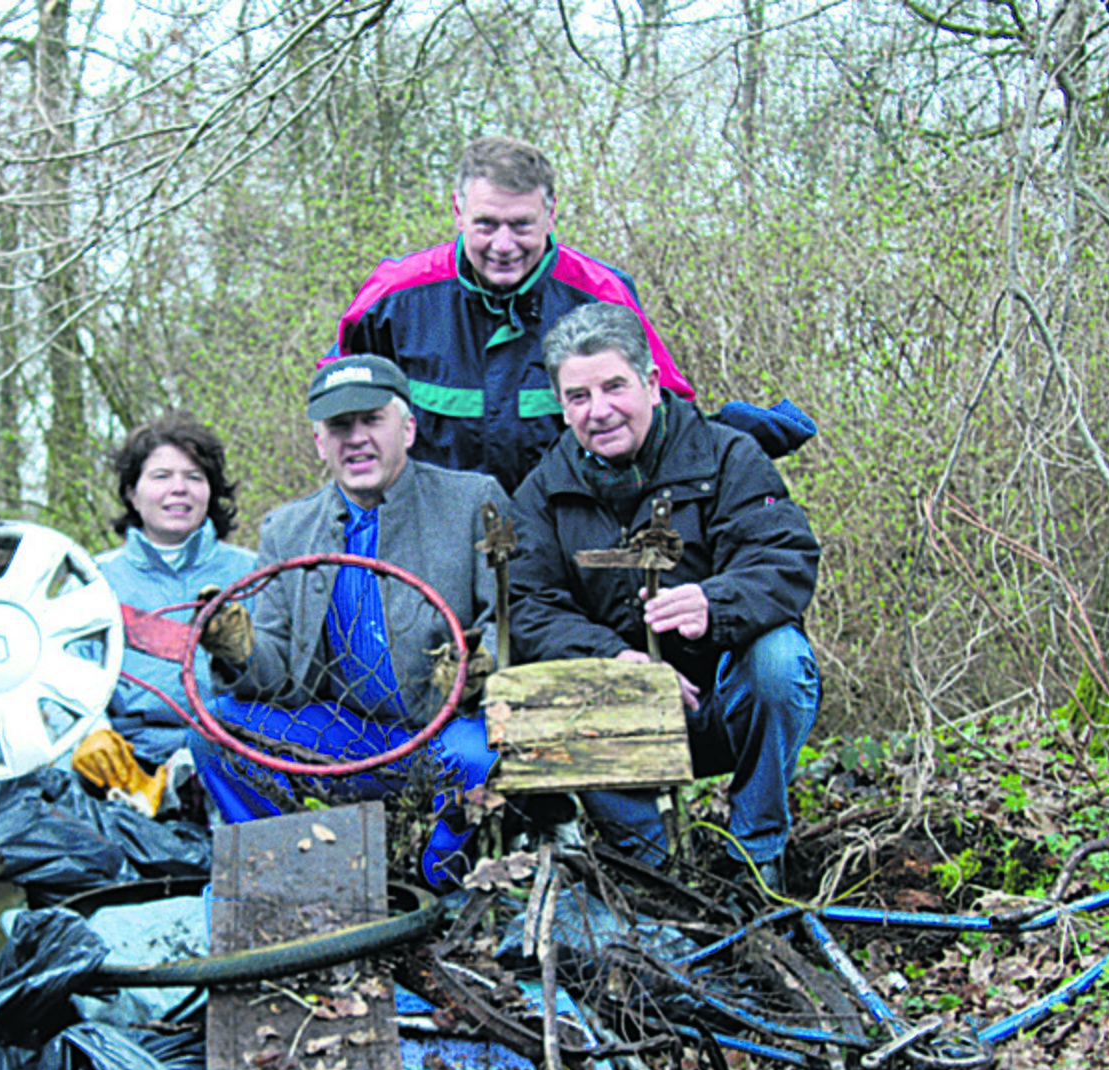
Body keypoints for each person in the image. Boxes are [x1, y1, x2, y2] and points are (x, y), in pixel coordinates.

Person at [506, 302, 821, 889]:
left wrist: (715, 604)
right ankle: (654, 871)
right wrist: (613, 659)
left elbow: (785, 557)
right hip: (621, 716)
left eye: (614, 387)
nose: (599, 411)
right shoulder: (542, 492)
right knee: (532, 691)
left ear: (651, 383)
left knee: (780, 659)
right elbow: (529, 603)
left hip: (722, 704)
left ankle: (756, 857)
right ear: (562, 406)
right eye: (578, 397)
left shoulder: (728, 456)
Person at [191, 355, 506, 885]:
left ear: (408, 428)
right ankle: (302, 876)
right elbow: (279, 676)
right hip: (345, 736)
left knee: (481, 756)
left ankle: (438, 883)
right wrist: (239, 651)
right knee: (213, 728)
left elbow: (510, 615)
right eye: (339, 426)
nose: (356, 439)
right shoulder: (288, 529)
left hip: (447, 733)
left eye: (372, 420)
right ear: (320, 442)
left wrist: (481, 664)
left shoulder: (473, 501)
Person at [329, 136, 694, 495]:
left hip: (570, 517)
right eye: (486, 225)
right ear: (458, 212)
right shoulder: (393, 299)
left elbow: (672, 415)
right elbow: (336, 405)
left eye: (521, 225)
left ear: (550, 215)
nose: (503, 246)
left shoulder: (601, 295)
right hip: (428, 520)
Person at [77, 416, 257, 794]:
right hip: (125, 767)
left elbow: (279, 680)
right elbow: (67, 676)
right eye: (161, 476)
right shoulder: (93, 581)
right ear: (132, 492)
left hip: (235, 759)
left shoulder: (254, 573)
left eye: (194, 477)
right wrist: (92, 732)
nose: (179, 489)